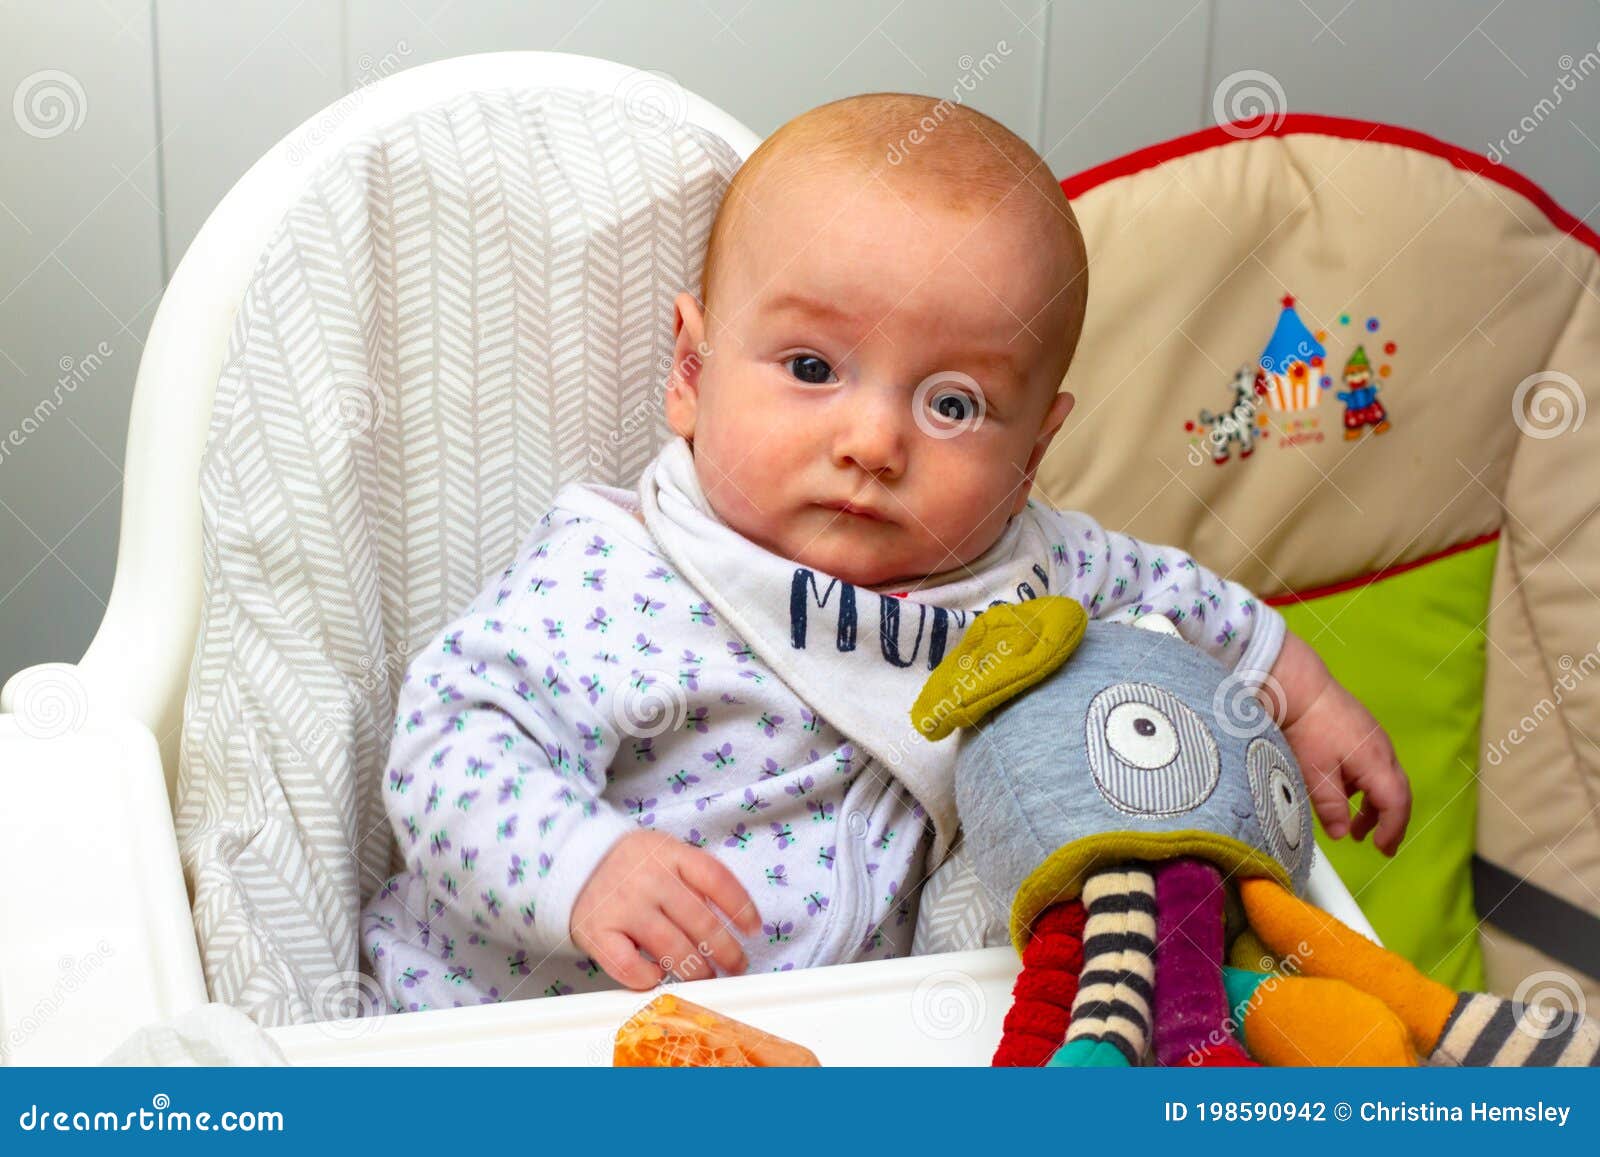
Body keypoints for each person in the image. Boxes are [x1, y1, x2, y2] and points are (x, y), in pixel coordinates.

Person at [360, 93, 1411, 1013]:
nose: (873, 442)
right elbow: (450, 743)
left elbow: (1182, 602)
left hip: (847, 1041)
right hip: (527, 1017)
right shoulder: (619, 575)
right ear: (691, 369)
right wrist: (577, 866)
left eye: (952, 403)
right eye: (812, 366)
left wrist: (1305, 702)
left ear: (1032, 450)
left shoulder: (1030, 570)